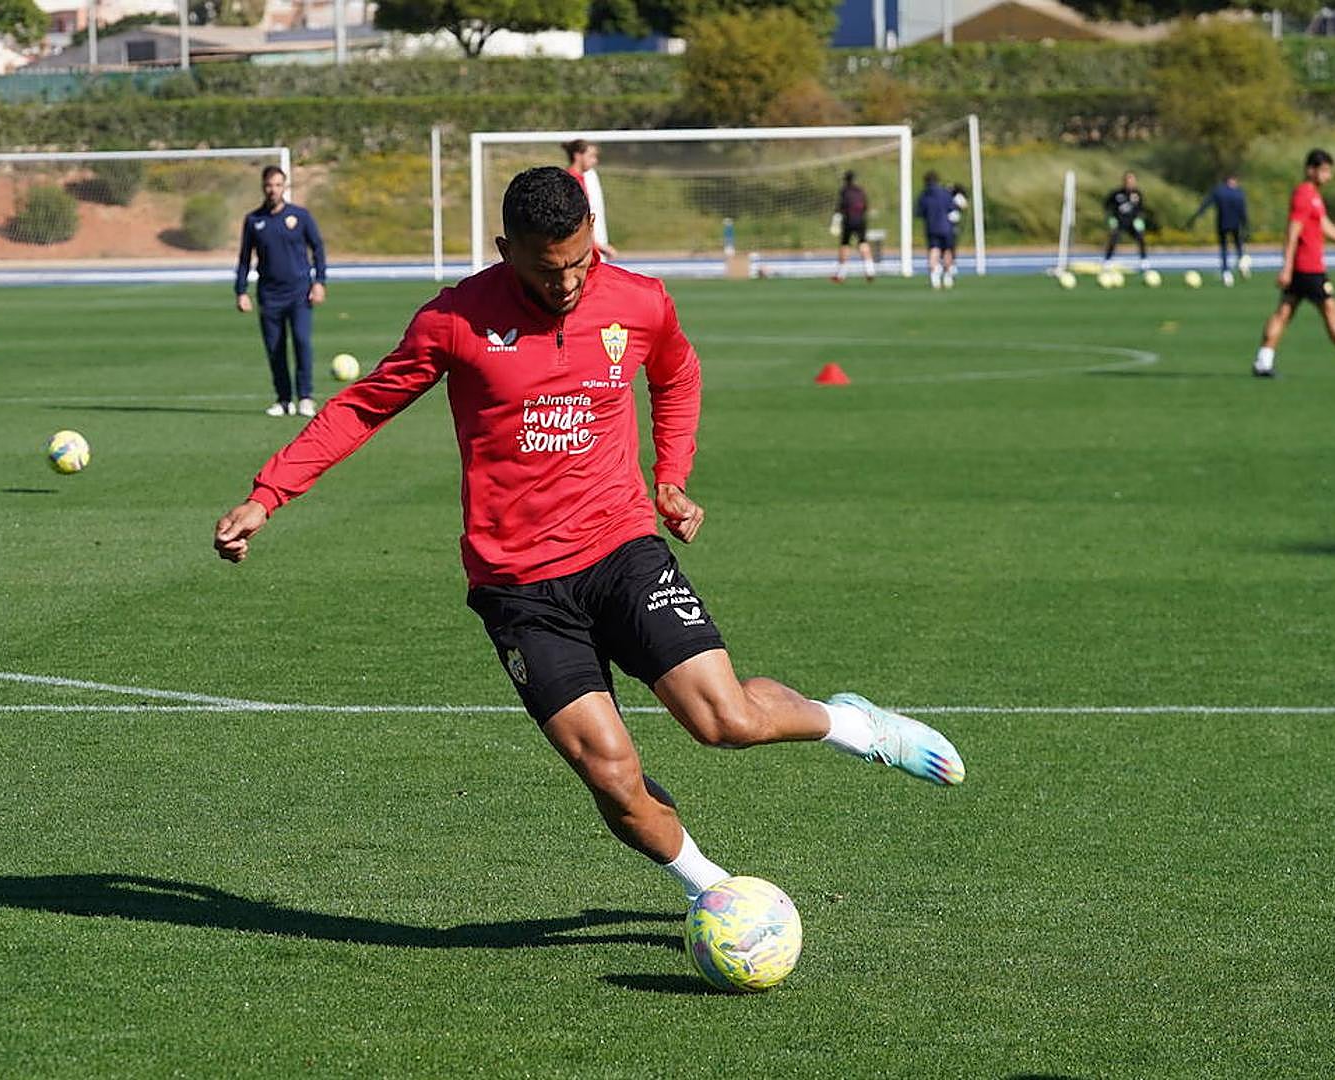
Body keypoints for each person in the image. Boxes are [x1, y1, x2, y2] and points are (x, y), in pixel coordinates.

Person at [213, 167, 964, 905]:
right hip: (518, 588)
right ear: (506, 249)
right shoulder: (454, 320)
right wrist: (269, 493)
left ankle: (852, 724)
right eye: (547, 269)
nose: (568, 282)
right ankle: (718, 894)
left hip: (620, 549)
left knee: (723, 721)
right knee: (611, 776)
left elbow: (677, 374)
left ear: (592, 234)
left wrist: (671, 473)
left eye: (579, 261)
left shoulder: (638, 300)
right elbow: (362, 408)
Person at [1253, 148, 1335, 379]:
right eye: (1324, 171)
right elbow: (1292, 232)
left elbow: (1324, 225)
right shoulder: (1304, 195)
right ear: (1310, 170)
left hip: (1302, 268)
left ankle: (1263, 362)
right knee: (1331, 312)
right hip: (1308, 268)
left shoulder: (1313, 195)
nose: (1328, 176)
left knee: (1284, 312)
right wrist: (1286, 267)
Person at [235, 165, 327, 418]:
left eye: (277, 185)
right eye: (268, 185)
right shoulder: (254, 220)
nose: (273, 190)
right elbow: (244, 258)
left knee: (301, 342)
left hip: (299, 293)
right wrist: (241, 291)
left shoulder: (300, 216)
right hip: (269, 295)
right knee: (275, 348)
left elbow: (318, 248)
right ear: (263, 187)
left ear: (284, 187)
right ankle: (284, 399)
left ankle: (306, 397)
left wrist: (319, 281)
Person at [1187, 173, 1250, 287]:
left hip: (1223, 224)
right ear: (1233, 180)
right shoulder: (1239, 193)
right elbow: (1243, 211)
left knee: (1224, 248)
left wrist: (1195, 217)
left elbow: (1206, 204)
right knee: (1238, 244)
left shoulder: (1218, 191)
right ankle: (1241, 263)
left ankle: (1226, 273)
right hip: (1236, 224)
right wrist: (1246, 226)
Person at [561, 139, 617, 261]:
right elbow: (577, 222)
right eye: (591, 156)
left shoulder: (582, 179)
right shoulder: (570, 182)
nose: (595, 161)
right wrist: (598, 246)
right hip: (577, 248)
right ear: (577, 155)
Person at [831, 170, 874, 284]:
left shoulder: (844, 191)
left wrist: (836, 219)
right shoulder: (860, 191)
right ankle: (870, 270)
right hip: (861, 221)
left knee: (845, 245)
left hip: (848, 221)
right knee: (863, 243)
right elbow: (865, 206)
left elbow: (840, 207)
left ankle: (841, 274)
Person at [916, 172, 957, 290]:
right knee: (947, 251)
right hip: (946, 227)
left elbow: (919, 213)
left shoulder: (924, 195)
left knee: (934, 250)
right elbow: (953, 209)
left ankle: (935, 276)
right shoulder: (945, 193)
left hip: (931, 227)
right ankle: (948, 276)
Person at [1102, 172, 1150, 271]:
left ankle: (1144, 260)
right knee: (1114, 239)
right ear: (1124, 181)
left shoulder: (1137, 194)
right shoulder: (1116, 194)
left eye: (1132, 180)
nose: (1130, 183)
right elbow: (1107, 205)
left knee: (1140, 237)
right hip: (1119, 221)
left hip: (1133, 221)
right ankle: (1107, 260)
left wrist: (1139, 219)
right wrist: (1111, 218)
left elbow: (1141, 208)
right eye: (1128, 180)